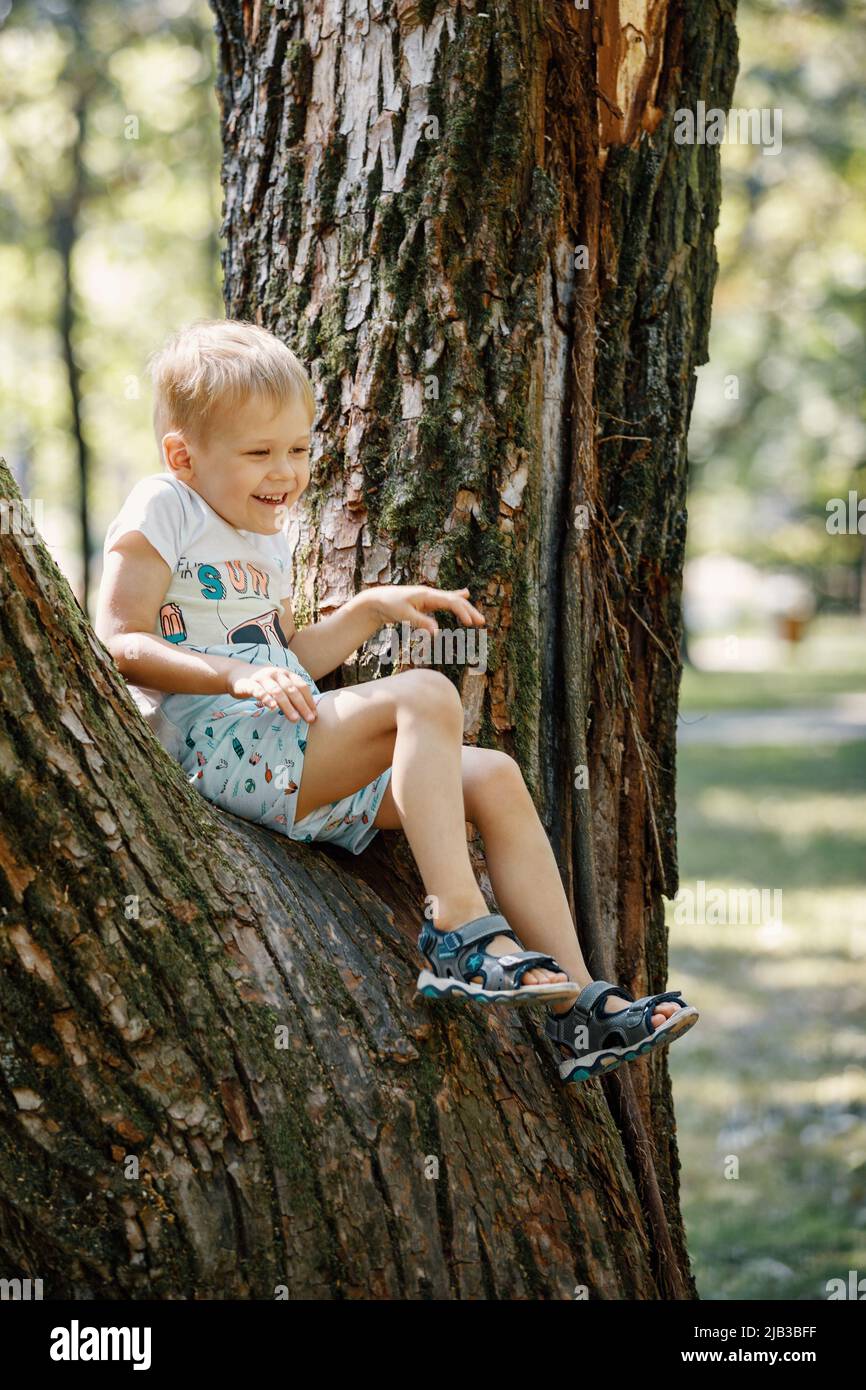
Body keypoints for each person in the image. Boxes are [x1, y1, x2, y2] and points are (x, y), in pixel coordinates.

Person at [95, 318, 698, 1083]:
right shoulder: (164, 507)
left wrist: (367, 610)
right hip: (223, 753)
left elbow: (288, 658)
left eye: (299, 450)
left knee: (494, 778)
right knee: (425, 694)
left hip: (292, 752)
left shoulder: (265, 535)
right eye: (258, 453)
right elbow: (119, 644)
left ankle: (580, 1011)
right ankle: (457, 929)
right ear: (183, 455)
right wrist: (229, 676)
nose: (284, 473)